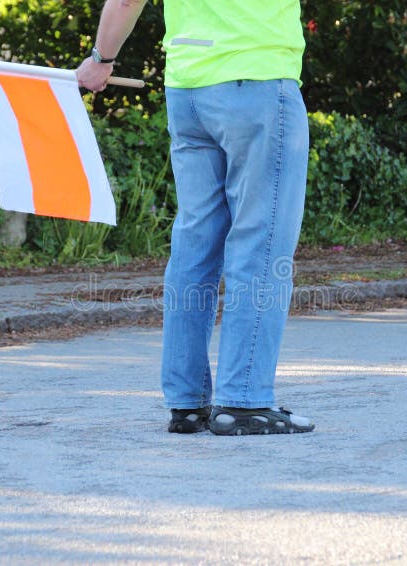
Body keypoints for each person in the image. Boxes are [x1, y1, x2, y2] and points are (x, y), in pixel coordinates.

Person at [77, 0, 314, 435]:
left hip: (188, 91)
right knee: (261, 244)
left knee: (195, 245)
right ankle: (243, 403)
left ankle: (186, 404)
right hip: (257, 81)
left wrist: (100, 59)